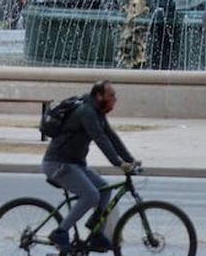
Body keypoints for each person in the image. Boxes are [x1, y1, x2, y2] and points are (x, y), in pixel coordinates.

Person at [42, 80, 140, 253]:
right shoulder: (86, 112)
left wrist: (130, 160)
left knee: (104, 188)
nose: (114, 100)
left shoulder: (97, 112)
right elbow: (100, 140)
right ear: (99, 96)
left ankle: (96, 234)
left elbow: (111, 137)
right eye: (111, 96)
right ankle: (60, 231)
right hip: (58, 163)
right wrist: (119, 163)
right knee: (91, 195)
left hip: (75, 164)